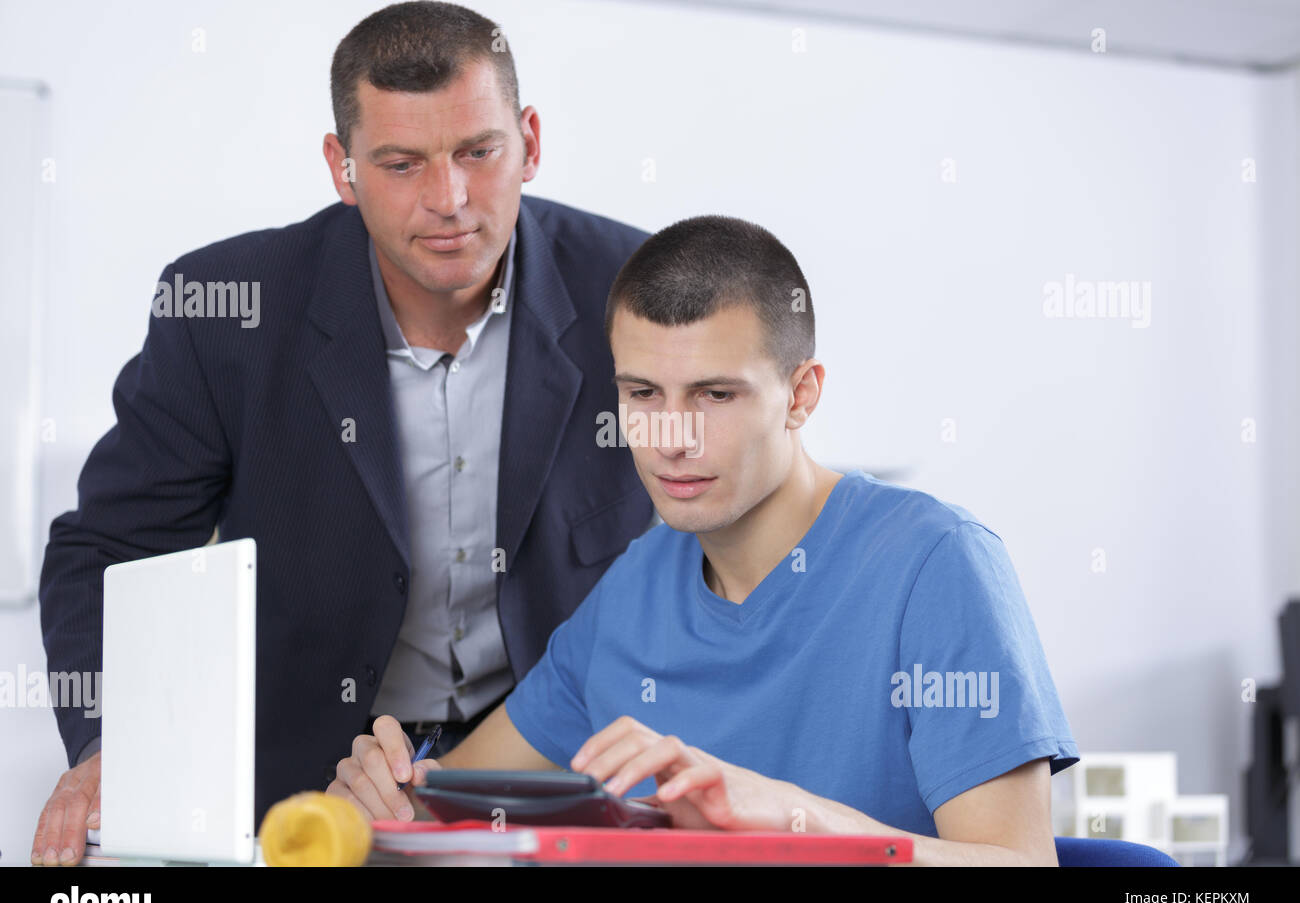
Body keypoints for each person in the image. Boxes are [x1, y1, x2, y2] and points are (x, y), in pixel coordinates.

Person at [31, 1, 654, 866]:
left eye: (480, 151)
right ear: (342, 166)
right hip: (303, 792)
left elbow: (727, 545)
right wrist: (112, 743)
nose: (450, 201)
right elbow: (105, 548)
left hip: (569, 780)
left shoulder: (642, 293)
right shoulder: (226, 309)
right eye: (401, 164)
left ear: (531, 142)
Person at [331, 214, 1081, 865]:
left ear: (801, 394)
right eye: (642, 394)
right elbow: (453, 803)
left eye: (715, 395)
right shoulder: (634, 585)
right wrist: (386, 797)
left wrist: (791, 818)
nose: (671, 440)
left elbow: (1016, 864)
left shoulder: (935, 564)